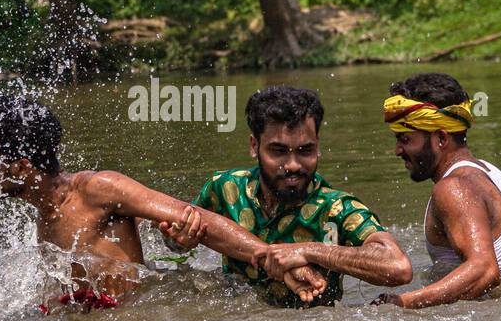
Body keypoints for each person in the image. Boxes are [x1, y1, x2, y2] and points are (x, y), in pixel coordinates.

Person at [0, 93, 326, 310]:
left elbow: (193, 218)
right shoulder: (45, 208)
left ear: (22, 165)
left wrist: (271, 259)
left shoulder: (96, 189)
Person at [162, 85, 413, 307]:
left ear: (318, 146)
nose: (293, 164)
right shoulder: (224, 189)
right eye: (279, 151)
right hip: (235, 320)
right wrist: (178, 241)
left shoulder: (336, 208)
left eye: (305, 150)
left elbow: (398, 267)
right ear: (254, 146)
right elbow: (176, 242)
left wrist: (307, 251)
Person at [373, 72, 501, 310]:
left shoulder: (452, 189)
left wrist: (400, 303)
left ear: (440, 138)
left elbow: (485, 270)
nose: (397, 150)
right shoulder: (489, 172)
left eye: (406, 139)